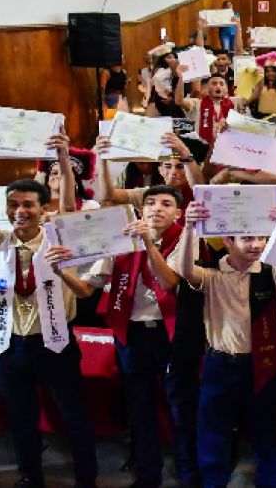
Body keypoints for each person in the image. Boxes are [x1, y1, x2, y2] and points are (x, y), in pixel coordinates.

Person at [0, 130, 99, 488]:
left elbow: (68, 204)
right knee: (20, 418)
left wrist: (63, 158)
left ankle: (86, 477)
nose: (20, 211)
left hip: (55, 344)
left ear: (43, 209)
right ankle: (29, 476)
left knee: (73, 415)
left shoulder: (57, 236)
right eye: (13, 205)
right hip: (10, 346)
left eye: (28, 204)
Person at [50, 185, 187, 488]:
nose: (157, 208)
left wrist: (148, 244)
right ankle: (148, 475)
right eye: (150, 203)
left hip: (171, 333)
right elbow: (87, 289)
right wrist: (60, 271)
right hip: (132, 334)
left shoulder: (185, 239)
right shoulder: (121, 240)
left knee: (180, 405)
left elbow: (169, 282)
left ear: (178, 213)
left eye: (166, 204)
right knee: (139, 407)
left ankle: (188, 473)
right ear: (141, 210)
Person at [171, 198, 276, 488]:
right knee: (214, 432)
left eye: (261, 238)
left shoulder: (269, 273)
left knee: (266, 430)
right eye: (248, 238)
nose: (257, 245)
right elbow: (185, 270)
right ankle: (214, 482)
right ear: (228, 241)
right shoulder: (212, 274)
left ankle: (270, 482)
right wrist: (189, 227)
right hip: (220, 364)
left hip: (261, 363)